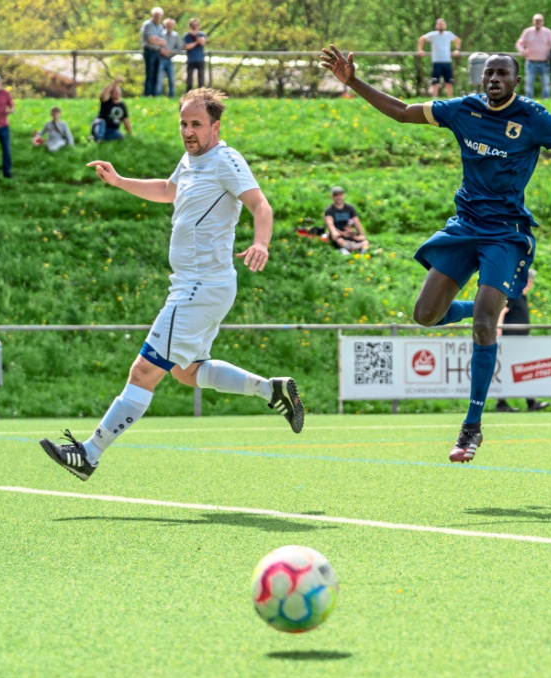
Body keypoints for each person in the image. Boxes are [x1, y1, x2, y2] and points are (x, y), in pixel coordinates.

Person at [320, 46, 551, 462]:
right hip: (465, 226)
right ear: (481, 79)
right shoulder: (463, 109)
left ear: (516, 80)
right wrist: (352, 81)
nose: (494, 79)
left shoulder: (534, 118)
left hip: (506, 233)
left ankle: (471, 428)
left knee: (486, 325)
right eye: (489, 74)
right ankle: (473, 308)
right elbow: (401, 110)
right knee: (424, 315)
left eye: (502, 73)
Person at [40, 87, 303, 481]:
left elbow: (260, 204)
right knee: (186, 371)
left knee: (144, 370)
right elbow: (167, 190)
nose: (188, 131)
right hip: (198, 287)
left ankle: (90, 453)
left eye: (196, 124)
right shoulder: (191, 161)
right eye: (183, 123)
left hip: (200, 287)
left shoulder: (226, 160)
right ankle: (272, 390)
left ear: (216, 126)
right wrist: (118, 181)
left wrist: (261, 242)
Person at [493, 268, 549, 413]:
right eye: (527, 281)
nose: (528, 285)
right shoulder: (514, 294)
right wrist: (498, 331)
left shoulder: (521, 296)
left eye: (530, 282)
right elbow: (502, 310)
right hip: (511, 339)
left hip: (520, 339)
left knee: (523, 369)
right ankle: (503, 403)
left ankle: (529, 401)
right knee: (512, 370)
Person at [515, 14, 551, 99]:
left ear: (543, 22)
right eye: (536, 20)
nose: (538, 22)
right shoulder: (527, 32)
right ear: (533, 21)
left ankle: (546, 100)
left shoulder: (548, 32)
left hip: (544, 62)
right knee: (529, 83)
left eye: (540, 20)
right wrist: (522, 51)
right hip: (531, 62)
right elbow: (519, 43)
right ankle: (529, 100)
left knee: (546, 83)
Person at [418, 18, 461, 99]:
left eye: (443, 24)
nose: (441, 26)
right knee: (435, 83)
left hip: (447, 62)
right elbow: (422, 39)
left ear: (445, 25)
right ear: (436, 26)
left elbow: (457, 40)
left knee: (448, 83)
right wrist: (420, 50)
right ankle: (434, 101)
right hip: (437, 62)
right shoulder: (433, 35)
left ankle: (450, 100)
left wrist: (457, 50)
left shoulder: (449, 34)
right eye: (439, 24)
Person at [324, 186, 370, 254]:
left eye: (340, 195)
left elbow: (356, 222)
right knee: (338, 239)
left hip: (349, 234)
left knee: (366, 242)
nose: (339, 197)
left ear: (343, 195)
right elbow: (330, 223)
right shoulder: (329, 210)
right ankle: (350, 250)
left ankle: (360, 253)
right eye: (336, 195)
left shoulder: (350, 208)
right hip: (338, 235)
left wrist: (361, 235)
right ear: (332, 197)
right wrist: (339, 233)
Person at [140, 7, 167, 97]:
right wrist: (158, 40)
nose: (158, 17)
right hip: (149, 51)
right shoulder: (147, 24)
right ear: (152, 15)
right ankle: (147, 94)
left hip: (158, 52)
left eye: (159, 15)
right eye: (156, 15)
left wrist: (157, 40)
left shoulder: (160, 27)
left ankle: (154, 94)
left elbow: (163, 41)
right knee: (150, 73)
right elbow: (150, 39)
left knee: (156, 73)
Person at [158, 18, 183, 97]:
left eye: (170, 25)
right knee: (159, 79)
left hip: (169, 59)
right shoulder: (160, 34)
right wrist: (161, 50)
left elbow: (179, 48)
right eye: (167, 25)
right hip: (160, 58)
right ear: (165, 25)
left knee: (171, 79)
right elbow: (155, 45)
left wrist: (171, 52)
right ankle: (158, 95)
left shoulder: (176, 35)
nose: (169, 26)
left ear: (173, 26)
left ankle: (171, 95)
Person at [184, 18, 207, 91]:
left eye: (196, 25)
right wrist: (196, 42)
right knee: (189, 80)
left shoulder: (201, 34)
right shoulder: (187, 36)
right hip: (191, 60)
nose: (194, 27)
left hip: (200, 60)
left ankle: (201, 96)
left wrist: (196, 36)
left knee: (201, 80)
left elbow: (203, 43)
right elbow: (187, 47)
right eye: (192, 25)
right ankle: (188, 94)